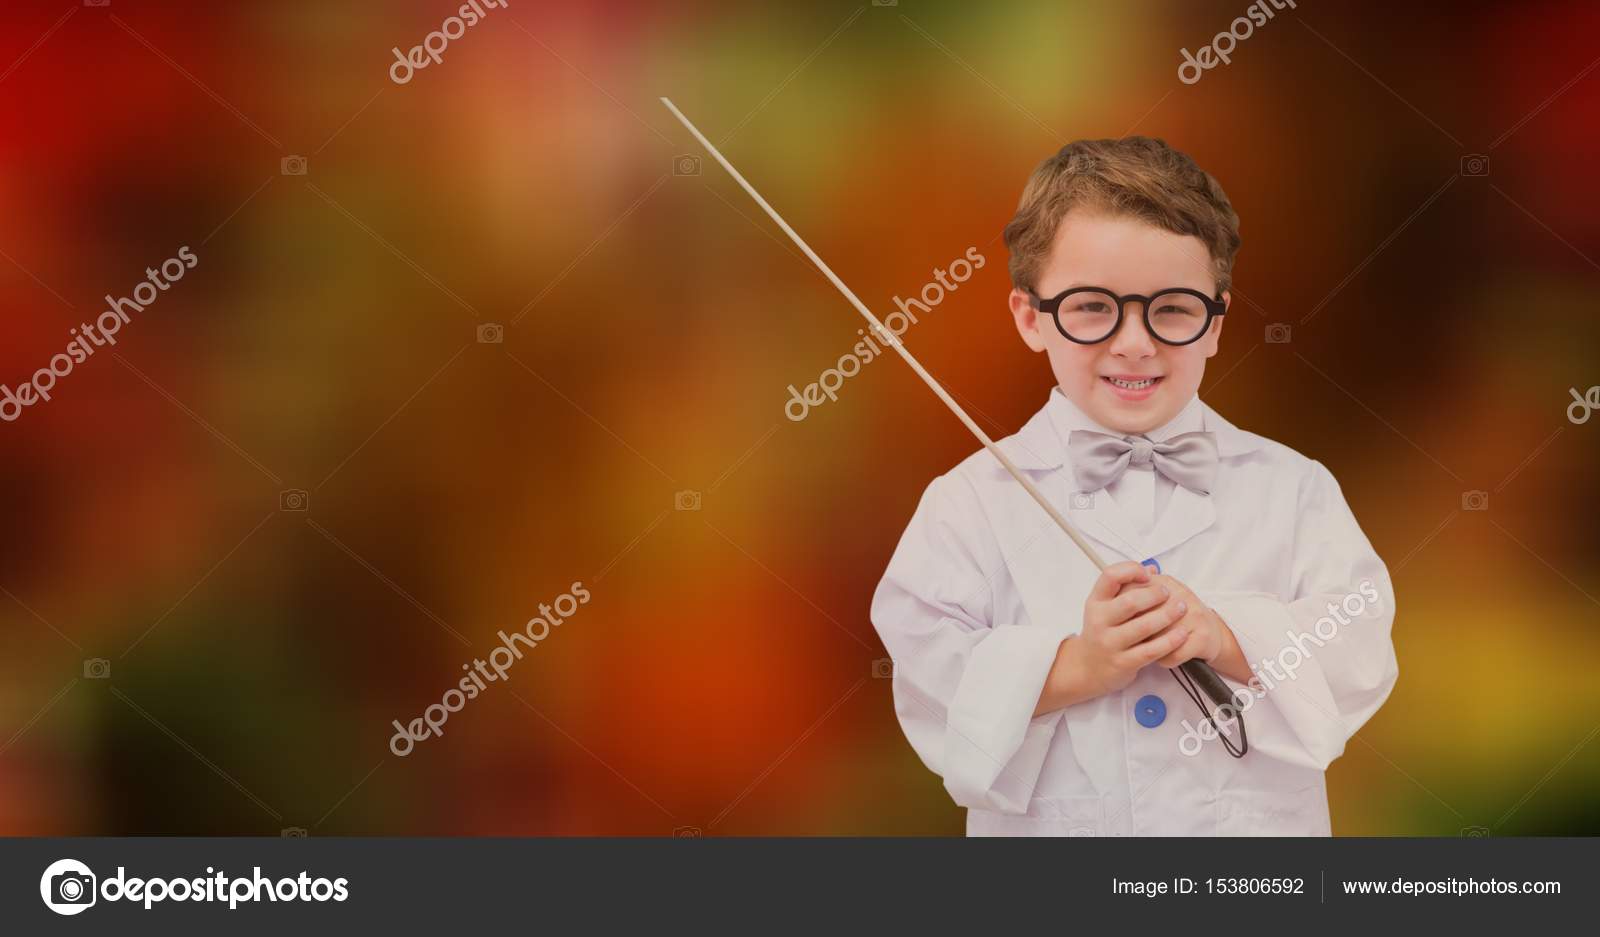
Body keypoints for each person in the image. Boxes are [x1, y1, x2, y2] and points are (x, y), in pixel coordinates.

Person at [870, 137, 1398, 836]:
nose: (1134, 343)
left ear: (1216, 321)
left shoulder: (1295, 489)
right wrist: (1076, 666)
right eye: (1092, 307)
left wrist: (1225, 633)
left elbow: (1357, 650)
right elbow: (930, 677)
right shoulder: (968, 502)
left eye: (1173, 308)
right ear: (1031, 318)